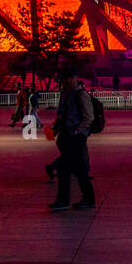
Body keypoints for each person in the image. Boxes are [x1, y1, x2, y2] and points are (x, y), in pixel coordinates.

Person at [49, 71, 96, 211]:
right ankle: (87, 198)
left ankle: (64, 200)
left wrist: (77, 131)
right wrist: (55, 128)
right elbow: (61, 115)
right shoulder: (65, 95)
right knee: (77, 168)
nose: (66, 82)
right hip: (65, 136)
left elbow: (89, 117)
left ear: (75, 79)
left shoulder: (81, 94)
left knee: (65, 167)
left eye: (69, 78)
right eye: (64, 79)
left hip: (75, 137)